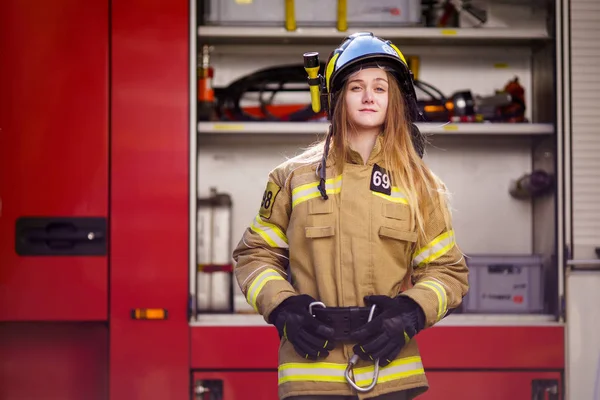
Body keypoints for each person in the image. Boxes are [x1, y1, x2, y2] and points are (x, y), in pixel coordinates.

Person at [232, 32, 469, 400]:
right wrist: (283, 306)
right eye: (356, 87)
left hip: (388, 374)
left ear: (396, 100)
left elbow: (447, 272)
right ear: (336, 98)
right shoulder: (293, 178)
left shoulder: (420, 184)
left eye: (380, 87)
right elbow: (255, 255)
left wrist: (409, 313)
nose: (370, 96)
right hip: (311, 374)